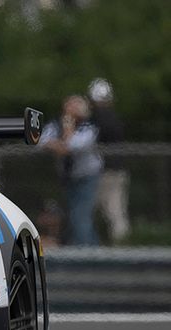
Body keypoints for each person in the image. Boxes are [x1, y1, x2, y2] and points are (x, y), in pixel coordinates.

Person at [38, 95, 103, 247]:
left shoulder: (89, 127)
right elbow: (40, 141)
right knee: (74, 215)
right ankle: (94, 250)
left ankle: (86, 252)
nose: (68, 113)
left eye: (73, 109)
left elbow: (73, 146)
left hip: (87, 176)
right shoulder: (55, 125)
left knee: (81, 215)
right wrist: (60, 145)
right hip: (68, 177)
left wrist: (68, 130)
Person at [88, 78, 130, 244]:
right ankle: (120, 244)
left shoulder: (95, 119)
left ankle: (116, 245)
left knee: (109, 210)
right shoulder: (115, 118)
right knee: (115, 210)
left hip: (103, 171)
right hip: (116, 169)